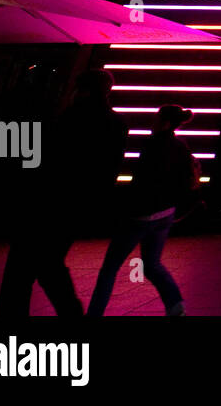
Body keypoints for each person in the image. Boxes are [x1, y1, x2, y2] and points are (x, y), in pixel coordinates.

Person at [0, 69, 128, 316]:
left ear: (81, 88)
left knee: (25, 268)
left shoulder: (68, 118)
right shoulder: (117, 124)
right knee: (47, 264)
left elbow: (49, 163)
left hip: (47, 204)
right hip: (79, 207)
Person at [87, 104, 201, 316]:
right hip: (165, 214)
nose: (153, 122)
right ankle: (175, 305)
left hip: (140, 215)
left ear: (164, 122)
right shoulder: (180, 146)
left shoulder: (151, 146)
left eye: (156, 119)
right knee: (152, 264)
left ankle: (94, 314)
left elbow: (141, 183)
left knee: (110, 268)